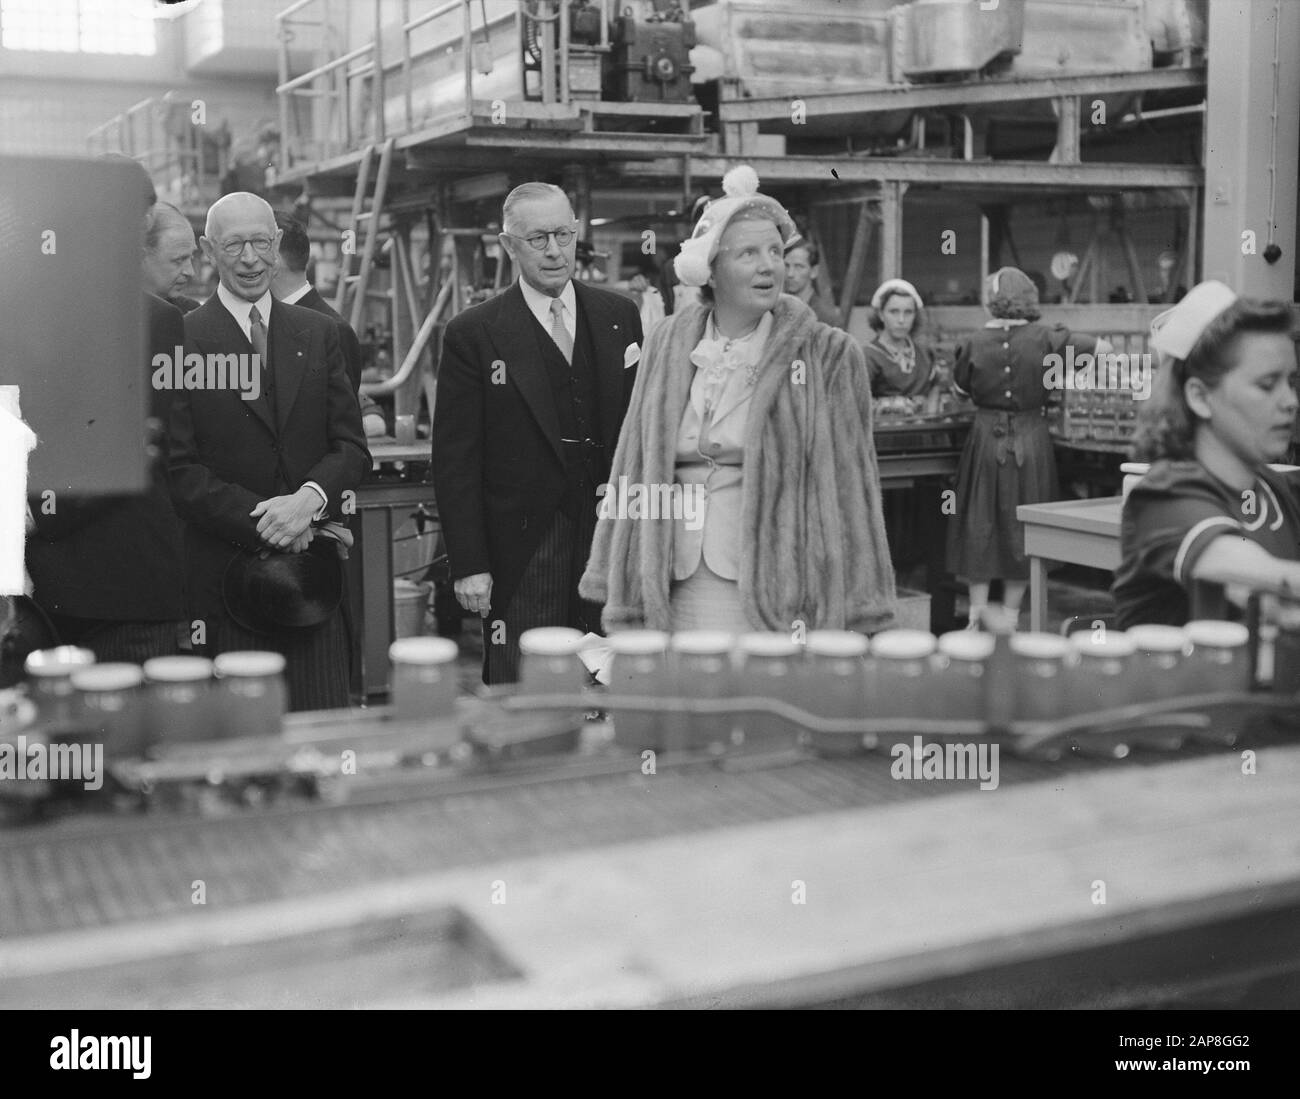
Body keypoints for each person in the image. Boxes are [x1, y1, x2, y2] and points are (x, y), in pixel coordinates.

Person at [580, 166, 897, 634]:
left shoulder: (828, 354)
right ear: (710, 269)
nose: (769, 266)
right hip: (672, 575)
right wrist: (614, 569)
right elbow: (634, 460)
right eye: (749, 253)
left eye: (776, 252)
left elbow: (853, 485)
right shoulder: (667, 341)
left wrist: (863, 604)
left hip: (780, 584)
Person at [431, 182, 643, 684]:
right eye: (537, 239)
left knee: (608, 682)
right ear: (509, 246)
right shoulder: (474, 333)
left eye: (564, 235)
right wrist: (469, 564)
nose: (554, 251)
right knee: (523, 683)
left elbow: (639, 435)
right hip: (522, 549)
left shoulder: (618, 316)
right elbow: (456, 459)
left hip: (606, 539)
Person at [168, 192, 370, 710]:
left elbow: (351, 447)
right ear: (208, 251)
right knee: (244, 734)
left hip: (313, 584)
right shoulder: (181, 341)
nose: (251, 259)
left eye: (261, 243)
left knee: (323, 730)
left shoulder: (319, 332)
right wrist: (273, 520)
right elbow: (180, 470)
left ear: (278, 243)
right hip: (226, 588)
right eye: (234, 246)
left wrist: (309, 500)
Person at [26, 171, 190, 663]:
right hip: (49, 588)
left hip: (121, 588)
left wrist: (37, 514)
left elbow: (133, 448)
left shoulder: (156, 321)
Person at [1113, 282, 1300, 628]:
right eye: (1267, 385)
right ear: (1200, 397)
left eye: (1291, 382)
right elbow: (1251, 577)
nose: (1291, 401)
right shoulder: (1165, 496)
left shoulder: (1276, 490)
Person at [944, 266, 1105, 630]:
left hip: (986, 439)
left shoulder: (972, 342)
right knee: (1025, 525)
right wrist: (1058, 375)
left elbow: (961, 390)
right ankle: (1011, 618)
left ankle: (976, 619)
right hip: (1032, 438)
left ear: (992, 299)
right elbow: (1103, 348)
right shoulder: (1049, 338)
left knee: (980, 523)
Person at [271, 211, 385, 437]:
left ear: (275, 260)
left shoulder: (333, 331)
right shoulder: (263, 322)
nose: (246, 260)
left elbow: (342, 431)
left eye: (256, 247)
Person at [861, 278, 946, 403]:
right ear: (881, 314)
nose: (901, 320)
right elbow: (860, 402)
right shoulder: (868, 356)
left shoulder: (925, 353)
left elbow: (936, 387)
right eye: (894, 312)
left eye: (908, 312)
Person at [142, 201, 201, 314]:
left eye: (191, 257)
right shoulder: (111, 313)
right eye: (179, 260)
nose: (190, 272)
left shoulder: (192, 314)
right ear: (142, 256)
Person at [783, 241, 842, 327]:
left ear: (814, 271)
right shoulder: (774, 311)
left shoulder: (825, 318)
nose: (790, 274)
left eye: (798, 267)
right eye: (786, 266)